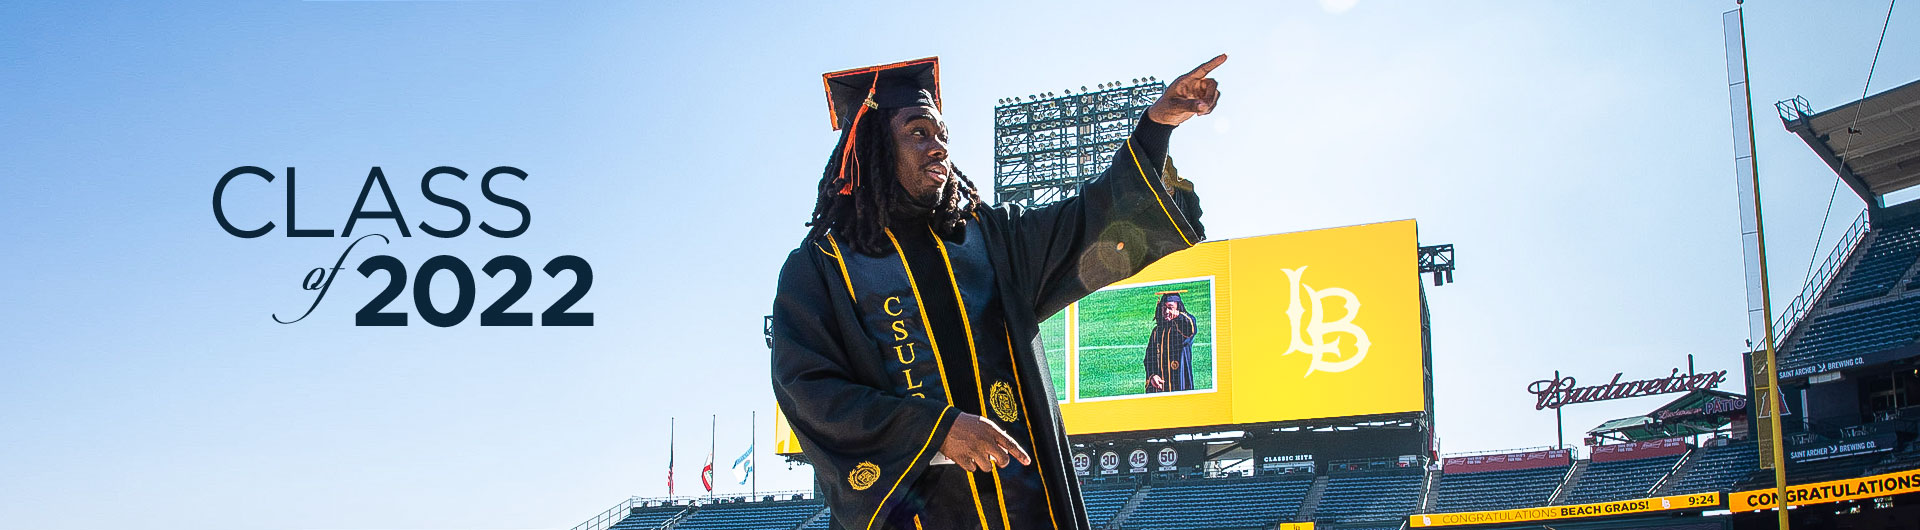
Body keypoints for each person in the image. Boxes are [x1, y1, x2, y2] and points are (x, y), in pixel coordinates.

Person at [770, 54, 1225, 530]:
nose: (939, 148)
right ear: (871, 147)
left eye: (943, 136)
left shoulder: (987, 240)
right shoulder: (821, 269)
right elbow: (809, 391)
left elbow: (1086, 222)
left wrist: (1157, 124)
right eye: (919, 132)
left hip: (1025, 505)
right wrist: (936, 429)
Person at [1143, 292, 1196, 393]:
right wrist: (1152, 375)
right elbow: (1149, 358)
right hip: (1160, 386)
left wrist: (1179, 316)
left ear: (1177, 308)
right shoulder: (1157, 332)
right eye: (1164, 307)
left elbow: (1190, 328)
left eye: (1170, 307)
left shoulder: (1182, 328)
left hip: (1180, 382)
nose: (1166, 311)